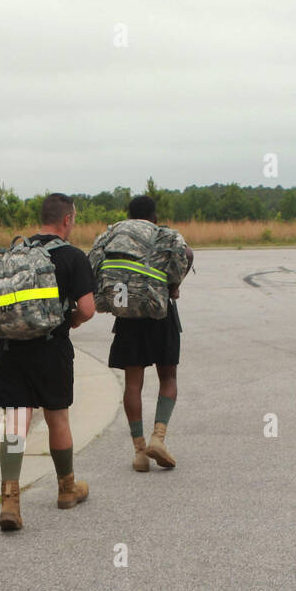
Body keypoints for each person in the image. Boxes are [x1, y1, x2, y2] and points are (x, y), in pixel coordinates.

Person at [0, 193, 97, 531]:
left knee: (17, 423)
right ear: (67, 220)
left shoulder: (15, 252)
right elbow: (87, 308)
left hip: (11, 347)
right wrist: (71, 323)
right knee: (58, 419)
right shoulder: (72, 257)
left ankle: (10, 499)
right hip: (51, 348)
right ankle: (67, 488)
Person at [106, 194, 190, 471]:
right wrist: (174, 284)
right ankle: (159, 437)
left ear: (129, 217)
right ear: (154, 217)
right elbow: (187, 254)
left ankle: (140, 451)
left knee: (133, 383)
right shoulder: (163, 235)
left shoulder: (118, 235)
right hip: (160, 313)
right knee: (168, 375)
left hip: (128, 315)